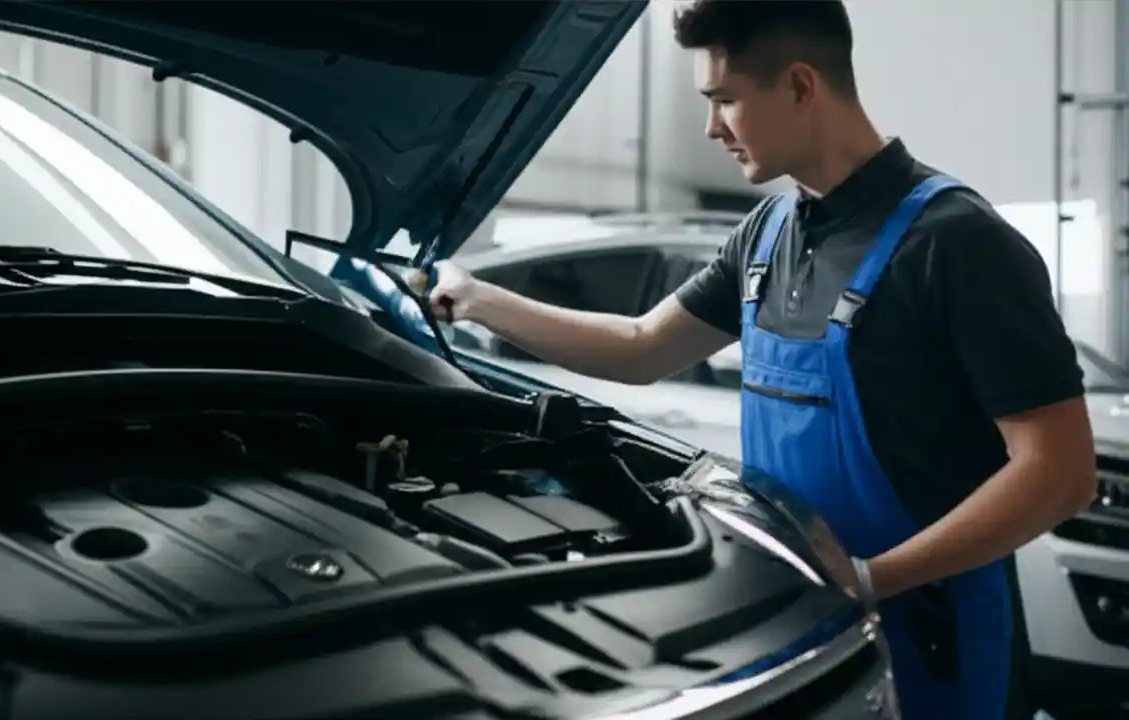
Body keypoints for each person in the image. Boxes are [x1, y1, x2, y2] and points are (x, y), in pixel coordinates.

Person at [411, 1, 1098, 718]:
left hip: (937, 641)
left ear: (801, 86)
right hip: (803, 621)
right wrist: (480, 299)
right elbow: (643, 347)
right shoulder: (766, 234)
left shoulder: (957, 242)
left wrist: (871, 578)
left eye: (725, 100)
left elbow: (1061, 472)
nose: (712, 128)